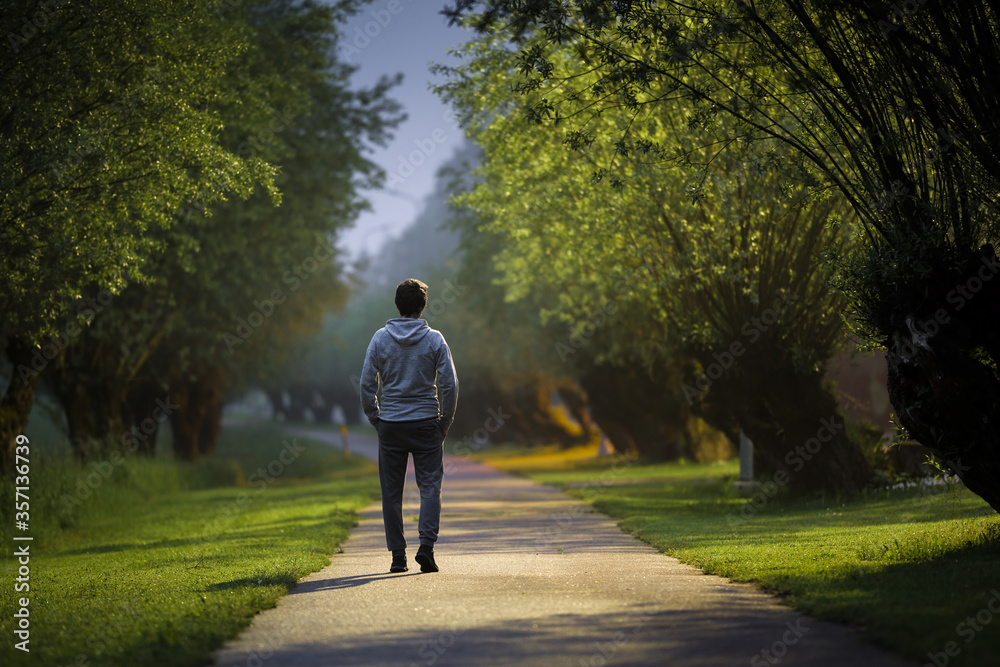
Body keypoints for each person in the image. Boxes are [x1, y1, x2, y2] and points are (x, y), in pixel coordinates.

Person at [360, 278, 458, 573]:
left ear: (398, 304)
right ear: (422, 306)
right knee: (430, 487)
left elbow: (366, 383)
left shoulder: (379, 338)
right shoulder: (434, 339)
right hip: (427, 423)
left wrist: (376, 417)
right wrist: (445, 422)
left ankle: (398, 557)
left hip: (391, 424)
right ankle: (426, 548)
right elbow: (450, 385)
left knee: (391, 492)